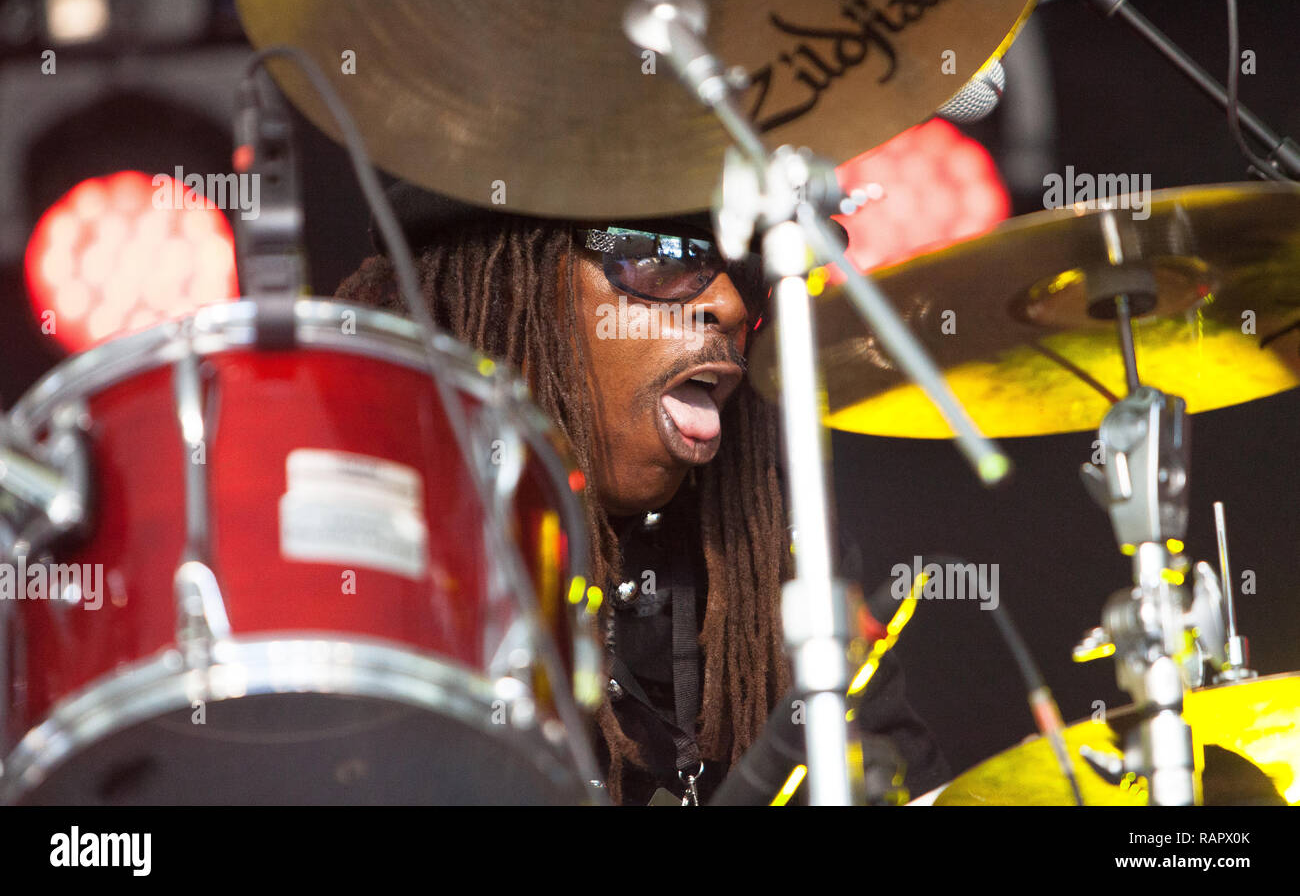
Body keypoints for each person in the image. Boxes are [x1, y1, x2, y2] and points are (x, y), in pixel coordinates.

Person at [336, 183, 948, 805]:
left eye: (749, 274)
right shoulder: (364, 552)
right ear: (507, 294)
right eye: (667, 260)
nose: (730, 306)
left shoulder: (771, 550)